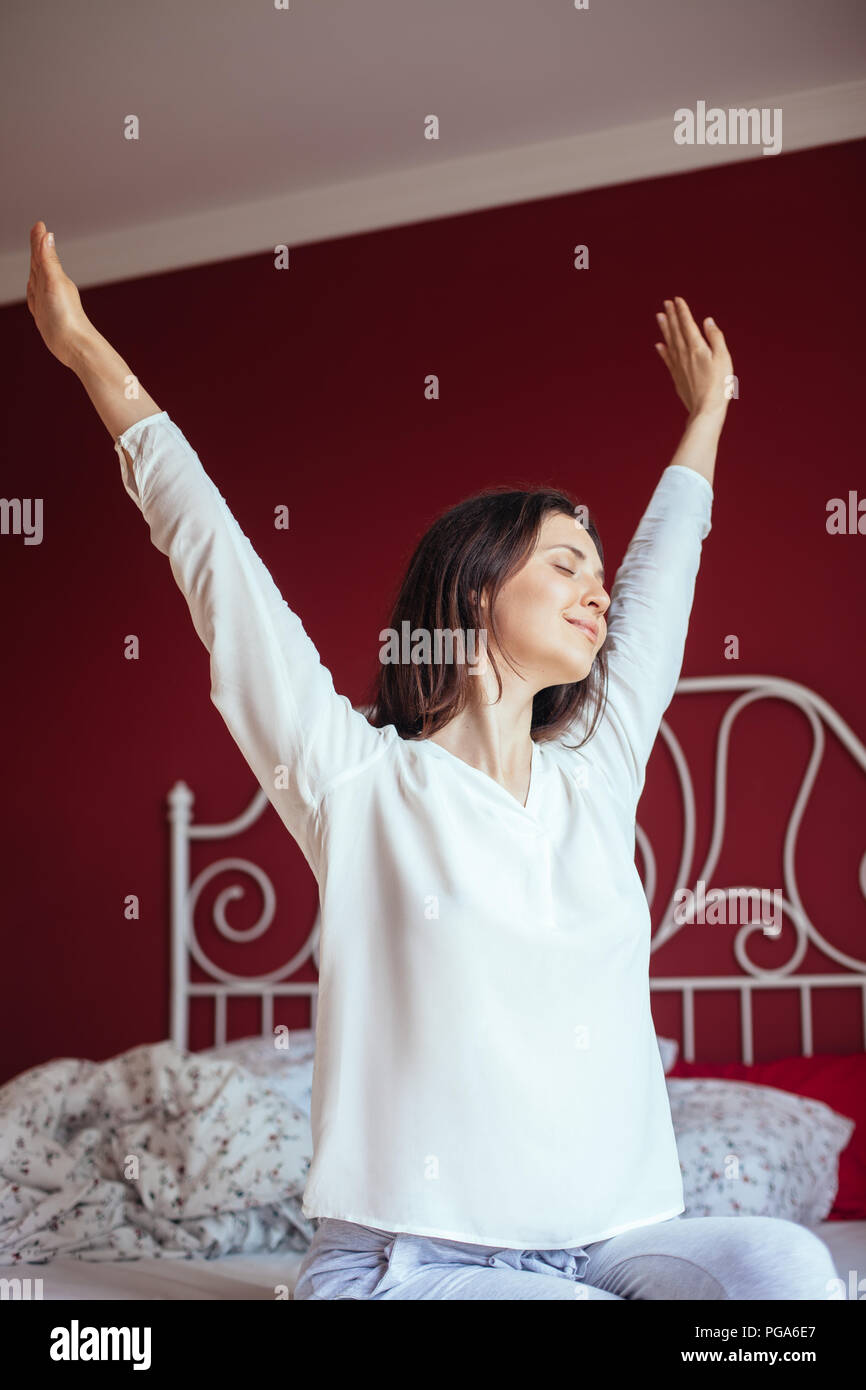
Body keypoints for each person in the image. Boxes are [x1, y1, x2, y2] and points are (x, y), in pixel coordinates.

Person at [25, 221, 839, 1300]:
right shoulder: (357, 784)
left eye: (597, 571)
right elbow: (221, 570)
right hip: (406, 1263)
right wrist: (93, 358)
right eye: (563, 563)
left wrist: (705, 418)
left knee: (787, 1273)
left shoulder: (593, 778)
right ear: (473, 591)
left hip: (607, 1240)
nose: (598, 590)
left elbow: (660, 580)